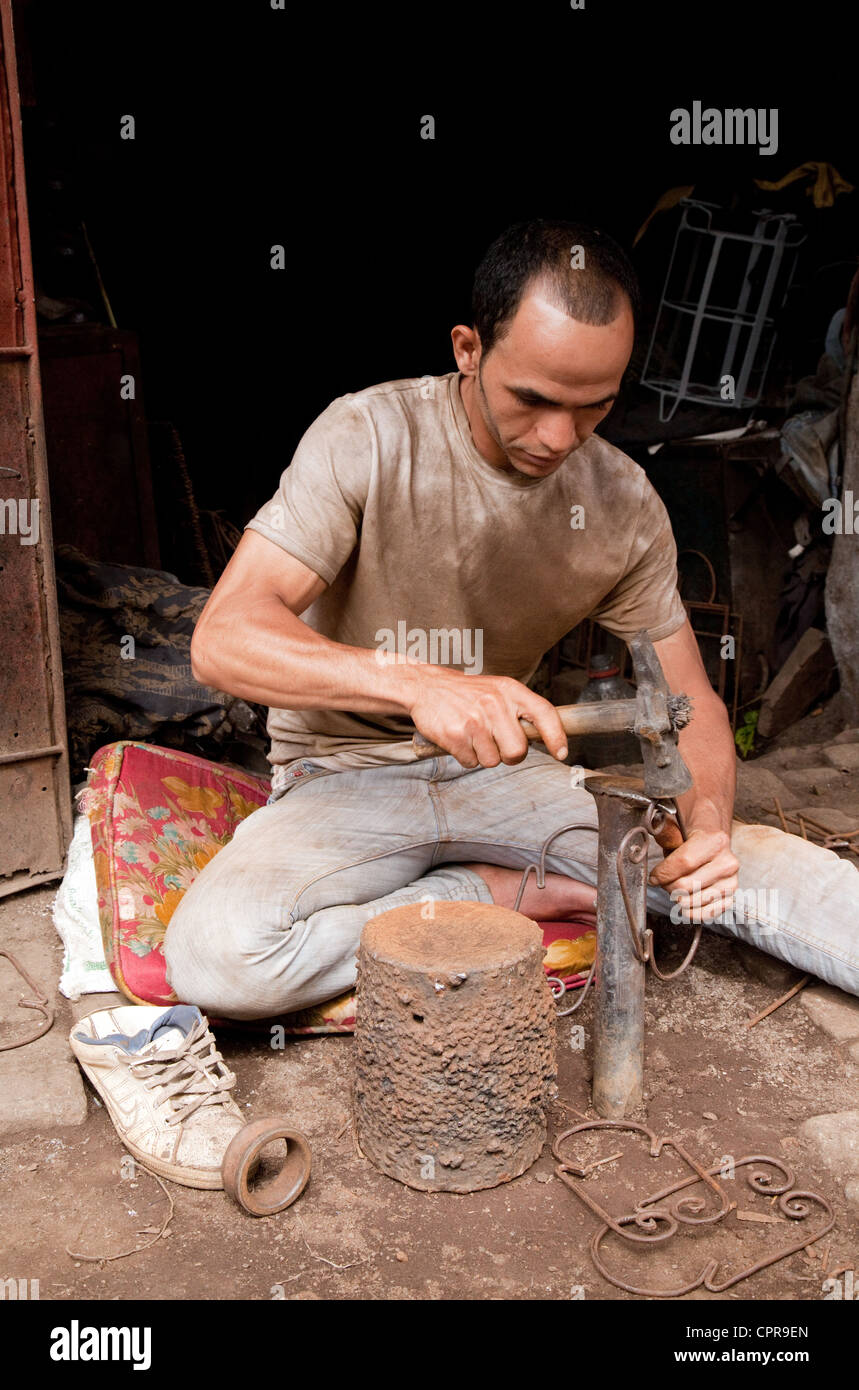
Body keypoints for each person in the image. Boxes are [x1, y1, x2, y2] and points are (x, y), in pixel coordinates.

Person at [164, 219, 858, 1020]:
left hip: (505, 778)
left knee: (775, 881)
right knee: (221, 959)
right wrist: (417, 685)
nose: (558, 437)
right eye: (531, 399)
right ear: (467, 349)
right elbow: (223, 637)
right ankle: (484, 893)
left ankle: (495, 886)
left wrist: (705, 824)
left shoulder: (623, 503)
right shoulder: (366, 436)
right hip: (343, 778)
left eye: (593, 405)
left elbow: (688, 701)